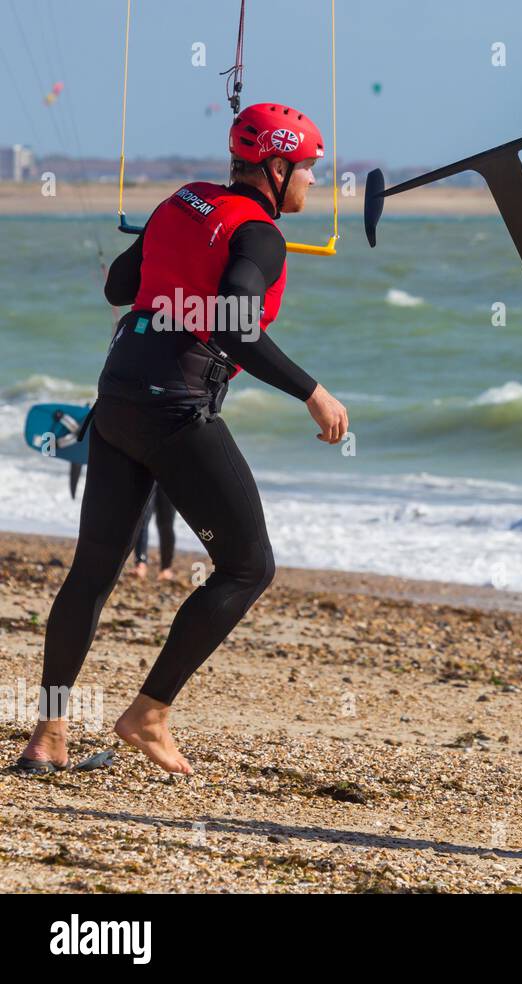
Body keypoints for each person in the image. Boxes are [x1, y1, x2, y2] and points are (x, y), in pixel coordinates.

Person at [16, 103, 349, 776]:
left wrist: (180, 254)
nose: (313, 179)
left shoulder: (183, 201)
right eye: (309, 167)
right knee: (248, 567)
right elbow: (233, 324)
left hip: (117, 397)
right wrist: (313, 392)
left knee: (93, 570)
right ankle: (149, 713)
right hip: (176, 407)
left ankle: (49, 737)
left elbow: (119, 284)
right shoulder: (261, 237)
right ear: (276, 167)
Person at [132, 486, 177, 580]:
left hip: (169, 478)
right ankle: (140, 563)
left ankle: (166, 568)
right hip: (149, 476)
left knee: (166, 523)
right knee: (143, 518)